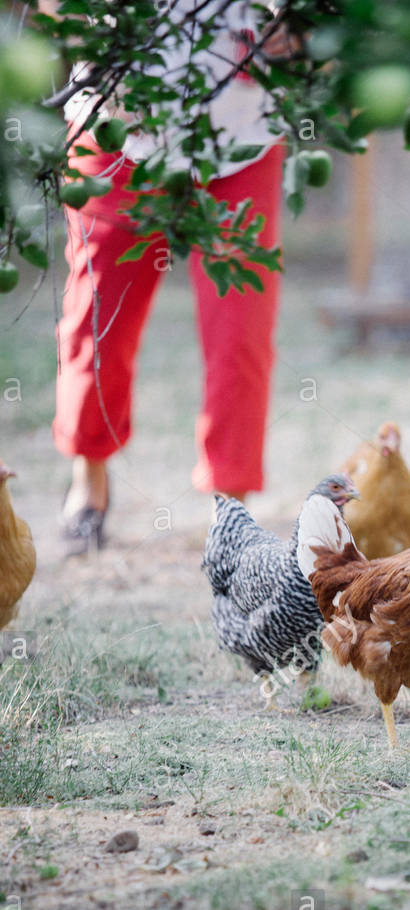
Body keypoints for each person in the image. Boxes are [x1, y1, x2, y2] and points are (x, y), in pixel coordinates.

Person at [54, 2, 287, 556]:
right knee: (96, 317)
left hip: (240, 134)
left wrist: (304, 29)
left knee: (240, 333)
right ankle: (89, 481)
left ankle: (230, 512)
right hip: (115, 127)